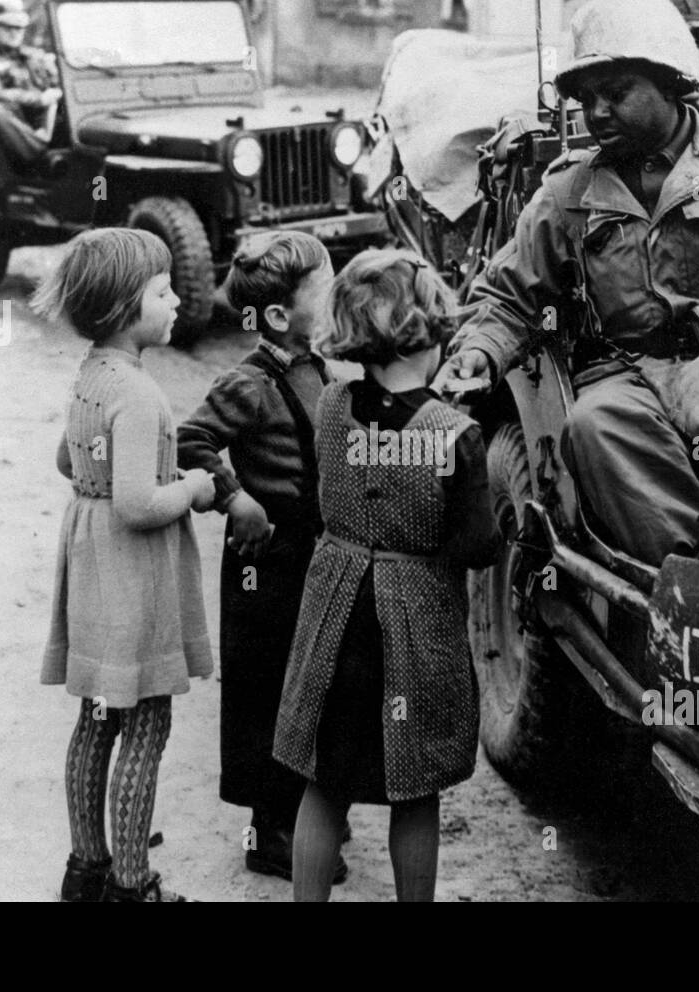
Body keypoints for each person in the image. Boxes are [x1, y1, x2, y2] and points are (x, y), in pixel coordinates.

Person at [432, 0, 699, 566]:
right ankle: (692, 579)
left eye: (617, 92)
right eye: (587, 100)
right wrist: (481, 351)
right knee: (595, 425)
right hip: (625, 371)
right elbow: (508, 296)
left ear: (670, 83)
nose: (598, 112)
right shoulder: (566, 194)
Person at [273, 249, 500, 902]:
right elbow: (475, 544)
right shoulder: (453, 434)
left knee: (324, 783)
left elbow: (325, 491)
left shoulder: (333, 404)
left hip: (336, 623)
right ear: (427, 335)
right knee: (416, 788)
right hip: (412, 636)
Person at [34, 228, 216, 903]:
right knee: (146, 720)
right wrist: (193, 488)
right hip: (133, 573)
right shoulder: (138, 394)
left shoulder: (92, 374)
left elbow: (65, 459)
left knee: (98, 718)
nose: (176, 302)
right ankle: (133, 884)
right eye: (162, 292)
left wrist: (98, 483)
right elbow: (140, 504)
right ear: (122, 309)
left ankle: (86, 867)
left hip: (91, 563)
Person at [175, 231, 348, 884]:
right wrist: (233, 496)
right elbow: (189, 439)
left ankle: (307, 814)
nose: (334, 301)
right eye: (324, 292)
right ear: (278, 316)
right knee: (264, 691)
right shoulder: (248, 382)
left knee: (313, 683)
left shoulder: (322, 367)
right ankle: (270, 831)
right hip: (265, 564)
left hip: (314, 555)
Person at [0, 0, 61, 165]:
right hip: (9, 129)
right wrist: (39, 99)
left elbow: (55, 83)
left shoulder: (35, 57)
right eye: (8, 28)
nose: (15, 33)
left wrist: (57, 87)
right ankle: (39, 151)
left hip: (40, 120)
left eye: (19, 28)